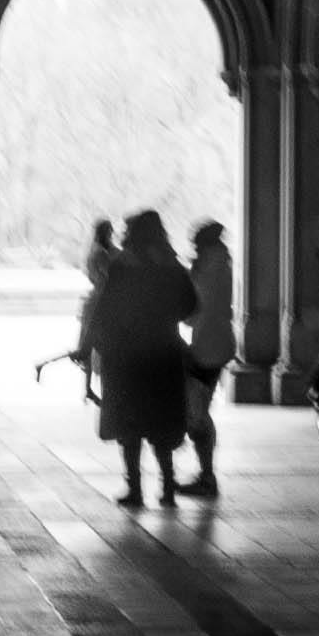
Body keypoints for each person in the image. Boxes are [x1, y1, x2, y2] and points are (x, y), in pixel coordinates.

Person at [84, 208, 196, 508]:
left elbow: (104, 311)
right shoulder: (171, 265)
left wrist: (90, 345)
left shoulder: (122, 266)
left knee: (129, 426)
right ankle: (168, 488)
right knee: (162, 426)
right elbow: (190, 305)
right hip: (164, 353)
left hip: (127, 356)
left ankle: (135, 489)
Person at [182, 217, 236, 499]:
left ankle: (206, 476)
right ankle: (206, 474)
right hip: (216, 342)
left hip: (208, 346)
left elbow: (193, 310)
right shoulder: (220, 264)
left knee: (197, 412)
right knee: (199, 410)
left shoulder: (207, 269)